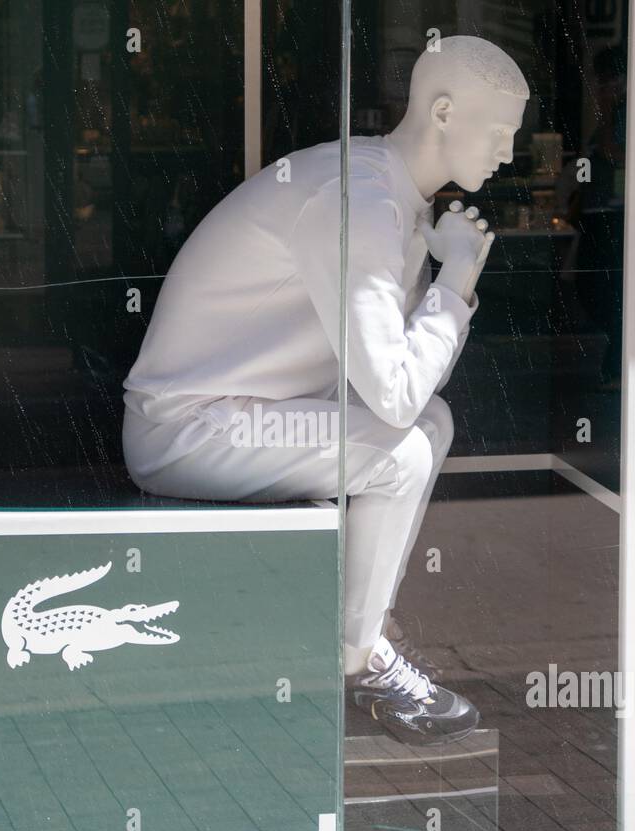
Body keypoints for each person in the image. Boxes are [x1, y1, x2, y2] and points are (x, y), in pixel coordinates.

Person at [122, 35, 528, 745]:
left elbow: (395, 389)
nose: (509, 152)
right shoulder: (361, 199)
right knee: (404, 446)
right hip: (192, 427)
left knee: (431, 426)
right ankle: (356, 662)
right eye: (498, 131)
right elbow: (391, 393)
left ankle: (365, 630)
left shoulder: (388, 194)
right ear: (440, 111)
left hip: (247, 416)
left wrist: (439, 278)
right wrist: (456, 282)